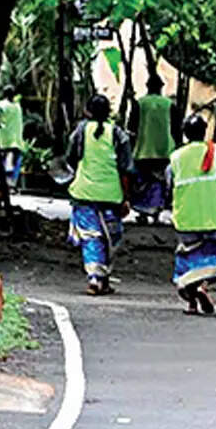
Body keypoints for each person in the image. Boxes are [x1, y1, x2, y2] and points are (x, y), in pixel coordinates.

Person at [167, 114, 216, 314]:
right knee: (211, 257)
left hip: (187, 219)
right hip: (215, 217)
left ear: (185, 134)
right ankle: (202, 286)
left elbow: (168, 184)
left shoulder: (176, 157)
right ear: (204, 132)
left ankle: (192, 303)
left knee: (188, 258)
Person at [66, 94, 136, 295]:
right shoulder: (118, 135)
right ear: (109, 113)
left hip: (84, 194)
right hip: (111, 196)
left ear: (88, 111)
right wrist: (126, 198)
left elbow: (71, 158)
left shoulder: (80, 132)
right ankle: (101, 277)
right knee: (110, 237)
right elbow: (126, 170)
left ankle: (95, 277)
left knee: (91, 237)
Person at [130, 75, 177, 225]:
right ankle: (156, 212)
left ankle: (142, 212)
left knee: (142, 183)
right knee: (159, 182)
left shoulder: (140, 104)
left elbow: (132, 127)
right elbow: (177, 129)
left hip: (143, 150)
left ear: (147, 86)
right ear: (161, 88)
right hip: (164, 151)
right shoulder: (169, 105)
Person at [0, 88, 24, 190]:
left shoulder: (0, 106)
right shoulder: (17, 107)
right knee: (10, 169)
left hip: (1, 141)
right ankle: (8, 188)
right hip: (15, 142)